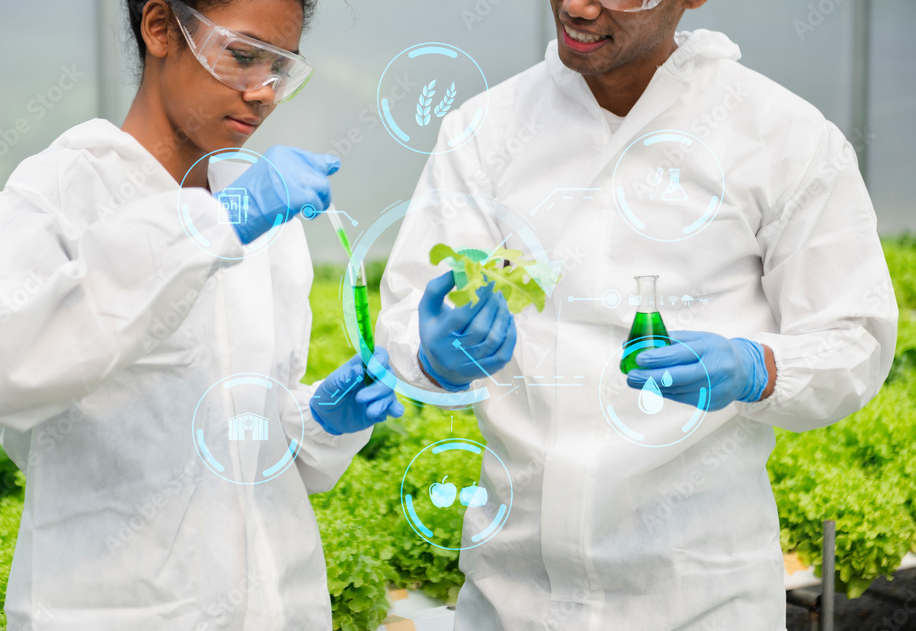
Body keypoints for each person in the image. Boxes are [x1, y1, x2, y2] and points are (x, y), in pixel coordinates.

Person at [376, 0, 898, 629]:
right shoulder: (487, 129)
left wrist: (758, 366)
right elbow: (408, 312)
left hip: (698, 594)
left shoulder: (780, 135)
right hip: (510, 590)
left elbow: (854, 337)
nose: (577, 6)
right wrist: (431, 355)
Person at [0, 0, 403, 628]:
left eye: (280, 68)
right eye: (243, 56)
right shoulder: (61, 194)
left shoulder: (265, 216)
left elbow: (240, 438)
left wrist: (318, 420)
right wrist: (212, 228)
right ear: (159, 27)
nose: (263, 92)